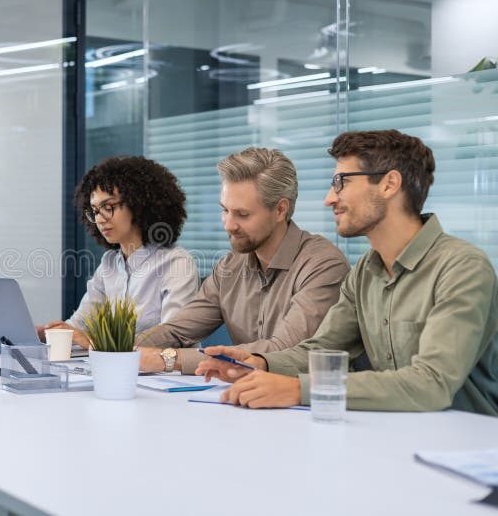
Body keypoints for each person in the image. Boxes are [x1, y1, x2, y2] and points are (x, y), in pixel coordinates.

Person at [198, 130, 498, 415]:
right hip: (395, 434)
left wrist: (298, 389)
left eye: (342, 182)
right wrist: (260, 363)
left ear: (389, 184)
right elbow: (321, 350)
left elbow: (431, 383)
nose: (330, 198)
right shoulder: (366, 271)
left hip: (464, 445)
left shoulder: (461, 267)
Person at [135, 147, 350, 374]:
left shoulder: (323, 265)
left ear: (280, 210)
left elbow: (282, 350)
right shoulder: (230, 265)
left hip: (307, 402)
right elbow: (176, 331)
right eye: (225, 210)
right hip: (246, 401)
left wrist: (170, 359)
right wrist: (114, 347)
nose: (228, 224)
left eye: (242, 214)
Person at [39, 156, 200, 348]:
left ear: (139, 204)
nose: (100, 219)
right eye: (95, 211)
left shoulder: (176, 263)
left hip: (165, 374)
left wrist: (91, 341)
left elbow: (172, 339)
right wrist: (49, 332)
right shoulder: (109, 264)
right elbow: (78, 326)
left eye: (108, 207)